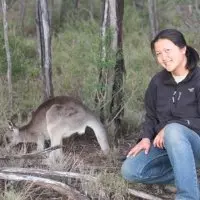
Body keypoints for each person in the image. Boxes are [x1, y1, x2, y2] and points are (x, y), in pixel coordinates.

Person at [121, 29, 200, 200]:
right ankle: (187, 178)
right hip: (165, 147)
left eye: (168, 50)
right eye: (158, 53)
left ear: (183, 49)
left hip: (196, 145)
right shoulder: (157, 82)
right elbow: (151, 116)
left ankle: (188, 196)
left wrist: (173, 127)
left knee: (173, 130)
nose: (164, 57)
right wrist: (146, 138)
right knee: (130, 170)